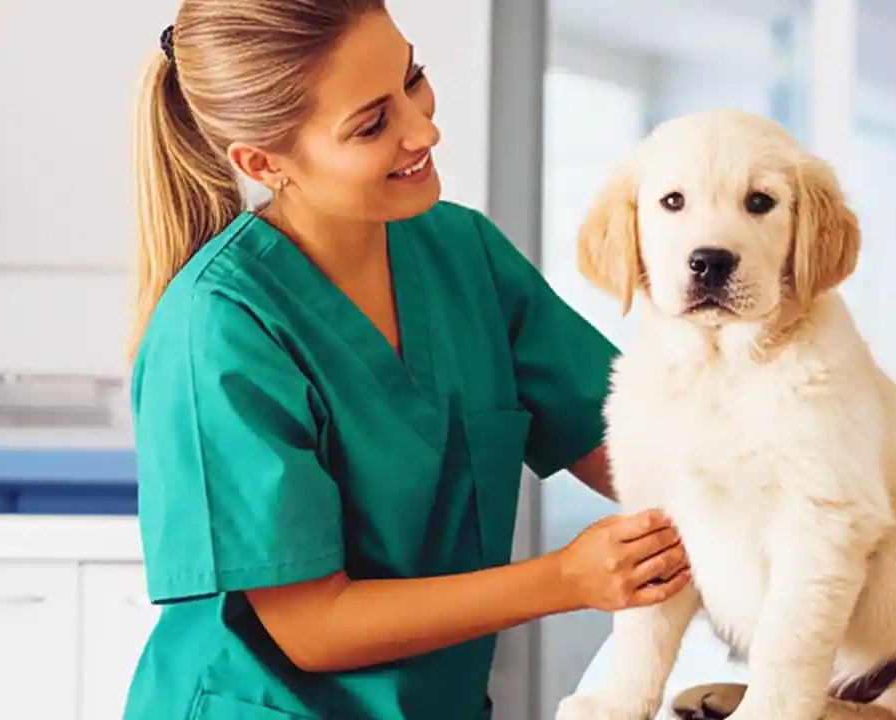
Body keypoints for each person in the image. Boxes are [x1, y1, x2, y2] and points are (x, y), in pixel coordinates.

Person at [123, 2, 691, 718]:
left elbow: (636, 446)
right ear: (263, 163)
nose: (424, 129)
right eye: (371, 124)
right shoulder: (219, 328)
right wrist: (565, 580)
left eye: (413, 78)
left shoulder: (463, 255)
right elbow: (313, 626)